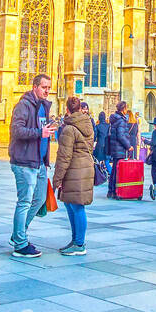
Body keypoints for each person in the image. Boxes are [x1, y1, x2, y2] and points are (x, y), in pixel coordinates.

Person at [8, 74, 54, 258]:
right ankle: (20, 243)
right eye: (44, 87)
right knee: (25, 201)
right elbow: (16, 130)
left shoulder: (43, 106)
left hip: (39, 161)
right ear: (35, 87)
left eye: (49, 87)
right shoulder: (24, 105)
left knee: (40, 199)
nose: (47, 90)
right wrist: (39, 132)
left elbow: (41, 131)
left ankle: (18, 234)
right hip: (24, 161)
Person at [51, 96, 95, 255]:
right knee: (72, 203)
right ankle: (76, 240)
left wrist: (57, 179)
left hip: (75, 169)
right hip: (84, 167)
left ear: (67, 110)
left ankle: (79, 243)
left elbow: (64, 156)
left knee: (76, 205)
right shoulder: (87, 123)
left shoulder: (69, 129)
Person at [106, 101, 132, 200]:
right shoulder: (121, 121)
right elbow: (121, 136)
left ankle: (111, 191)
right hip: (119, 149)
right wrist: (128, 146)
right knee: (117, 172)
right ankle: (115, 191)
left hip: (115, 148)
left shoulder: (115, 119)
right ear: (123, 109)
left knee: (114, 171)